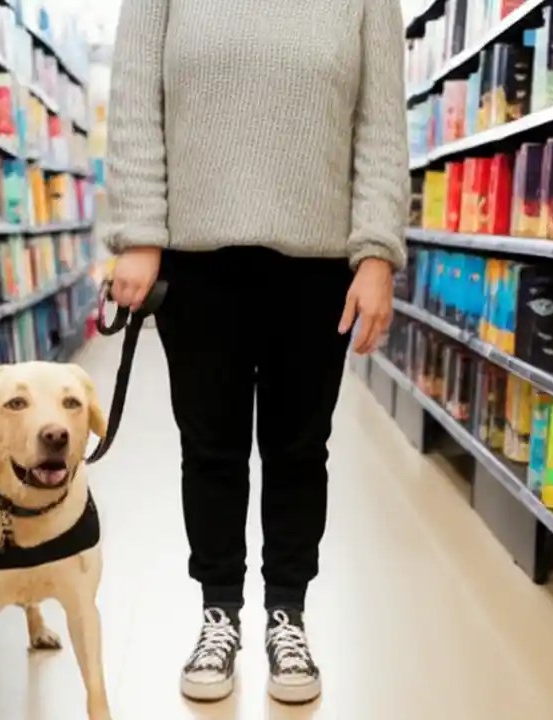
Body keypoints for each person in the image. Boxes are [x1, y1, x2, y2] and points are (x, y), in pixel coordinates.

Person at [99, 0, 408, 705]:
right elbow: (135, 100)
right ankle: (218, 612)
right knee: (210, 450)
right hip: (198, 262)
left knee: (300, 451)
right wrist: (140, 233)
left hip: (320, 264)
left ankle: (287, 615)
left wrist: (377, 253)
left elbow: (381, 124)